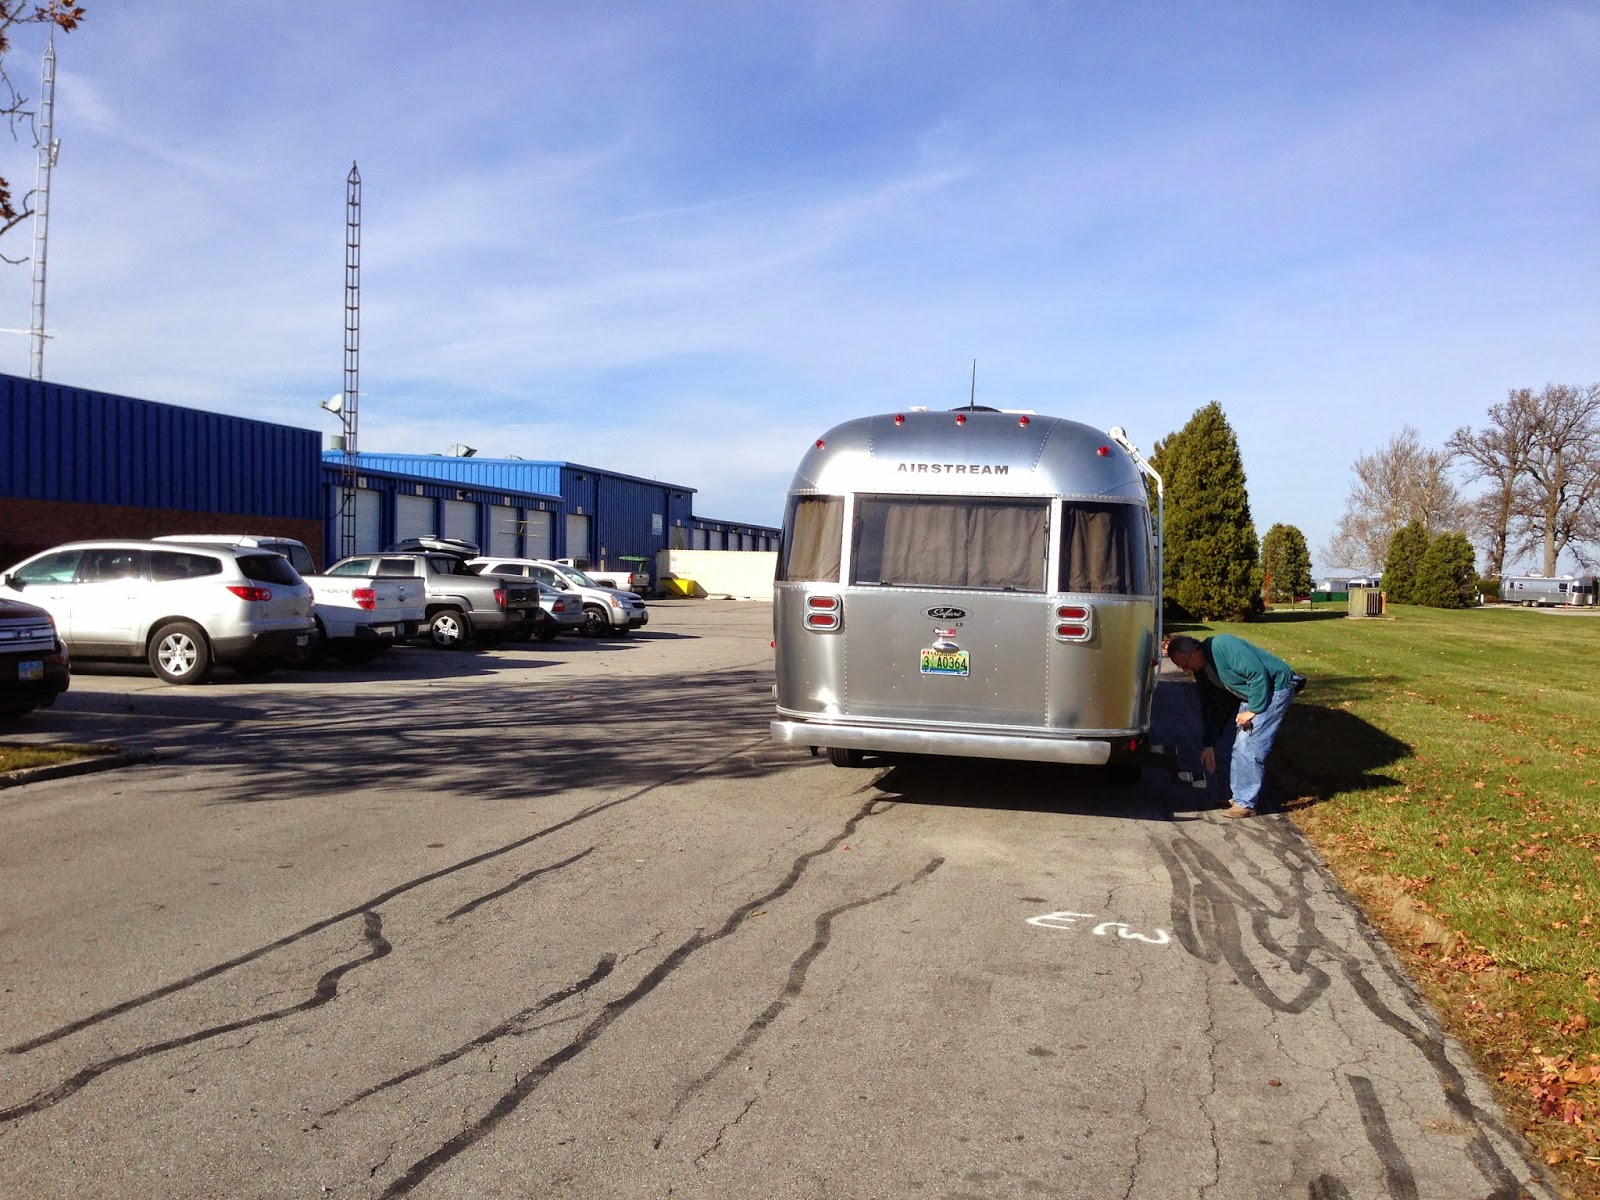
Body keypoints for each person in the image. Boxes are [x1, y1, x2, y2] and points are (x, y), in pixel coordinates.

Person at [1164, 633, 1298, 818]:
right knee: (1236, 744)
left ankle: (1246, 804)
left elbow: (1257, 673)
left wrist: (1254, 710)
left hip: (1274, 688)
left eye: (1185, 664)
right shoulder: (1202, 671)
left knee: (1249, 745)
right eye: (1182, 667)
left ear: (1194, 652)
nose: (1186, 669)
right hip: (1251, 694)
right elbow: (1210, 707)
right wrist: (1209, 743)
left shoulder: (1222, 645)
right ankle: (1239, 797)